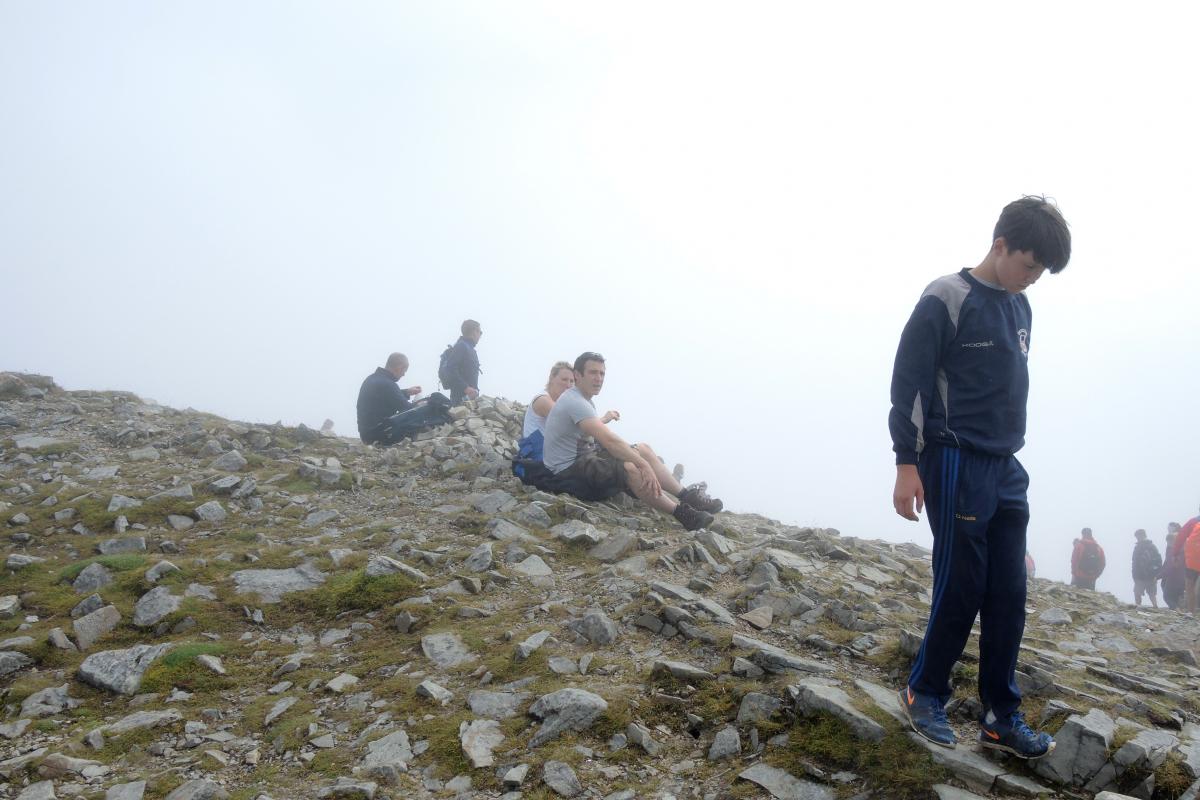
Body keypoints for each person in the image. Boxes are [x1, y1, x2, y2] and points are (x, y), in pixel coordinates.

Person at [889, 196, 1070, 759]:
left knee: (1009, 592)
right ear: (1000, 245)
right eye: (1029, 265)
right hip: (955, 455)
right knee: (962, 581)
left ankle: (1000, 715)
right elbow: (910, 381)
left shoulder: (1021, 308)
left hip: (1005, 464)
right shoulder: (948, 295)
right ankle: (924, 690)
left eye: (1042, 273)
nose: (1033, 279)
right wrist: (906, 463)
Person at [542, 352, 723, 530]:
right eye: (593, 372)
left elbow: (605, 441)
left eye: (602, 373)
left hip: (583, 459)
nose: (598, 378)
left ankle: (687, 495)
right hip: (565, 471)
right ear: (577, 375)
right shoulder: (575, 402)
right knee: (630, 468)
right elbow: (610, 441)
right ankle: (682, 514)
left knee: (642, 449)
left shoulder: (583, 400)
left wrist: (638, 456)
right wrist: (643, 465)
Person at [356, 353, 450, 445]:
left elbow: (384, 397)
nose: (404, 374)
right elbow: (407, 409)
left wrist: (407, 392)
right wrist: (423, 403)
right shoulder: (388, 384)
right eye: (404, 370)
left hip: (368, 434)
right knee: (431, 404)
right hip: (379, 435)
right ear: (399, 367)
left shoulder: (374, 379)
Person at [441, 319, 483, 405]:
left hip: (469, 399)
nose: (480, 335)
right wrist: (466, 388)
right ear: (474, 332)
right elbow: (450, 369)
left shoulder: (469, 348)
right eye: (480, 332)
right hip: (460, 399)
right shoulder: (462, 346)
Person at [1131, 529, 1162, 608]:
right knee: (1150, 593)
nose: (1138, 538)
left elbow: (1135, 562)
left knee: (1140, 593)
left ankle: (1139, 607)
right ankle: (1150, 607)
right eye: (1137, 537)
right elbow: (1159, 561)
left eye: (1138, 536)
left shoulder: (1141, 547)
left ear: (1143, 535)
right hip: (1146, 575)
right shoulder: (1150, 546)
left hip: (1144, 575)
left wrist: (1156, 574)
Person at [1161, 524, 1185, 610]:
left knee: (1167, 596)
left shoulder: (1173, 551)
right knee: (1176, 595)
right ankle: (1180, 609)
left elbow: (1170, 565)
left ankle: (1177, 609)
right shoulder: (1182, 548)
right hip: (1182, 576)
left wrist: (1159, 575)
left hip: (1173, 576)